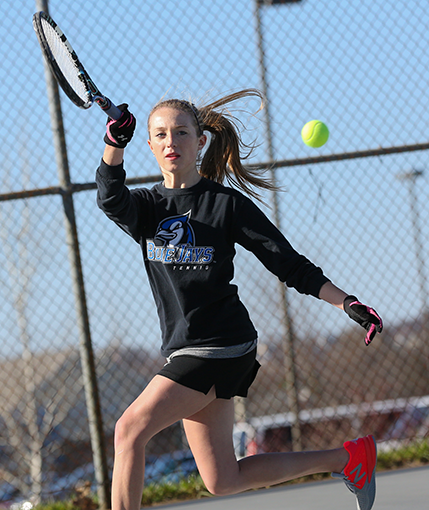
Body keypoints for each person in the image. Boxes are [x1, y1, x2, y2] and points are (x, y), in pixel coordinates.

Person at [95, 89, 384, 510]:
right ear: (151, 144)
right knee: (222, 480)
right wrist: (113, 144)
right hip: (186, 348)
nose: (171, 142)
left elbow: (290, 265)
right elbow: (109, 197)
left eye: (181, 132)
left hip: (222, 345)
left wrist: (348, 302)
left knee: (128, 430)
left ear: (200, 141)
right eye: (161, 134)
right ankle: (350, 458)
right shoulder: (147, 208)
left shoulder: (226, 205)